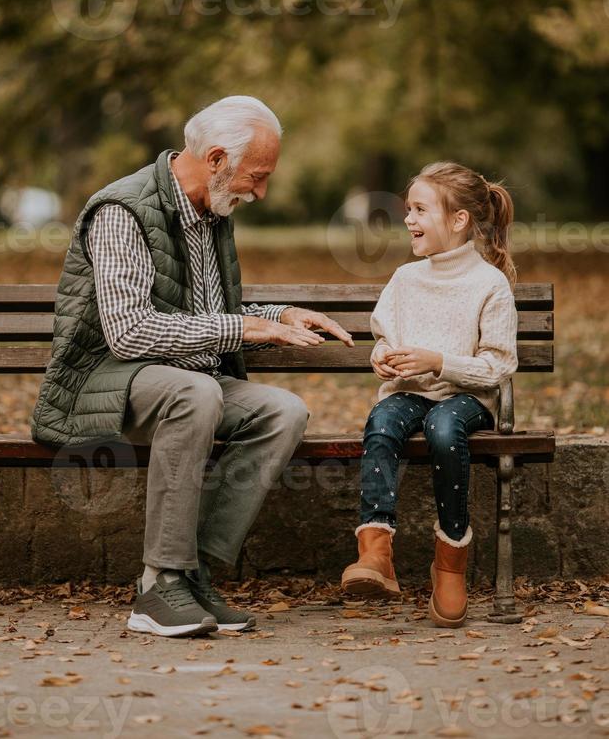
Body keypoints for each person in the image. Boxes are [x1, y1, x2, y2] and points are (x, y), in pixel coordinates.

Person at [30, 96, 354, 638]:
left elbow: (209, 313)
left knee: (283, 412)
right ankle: (159, 584)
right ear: (217, 159)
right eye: (258, 176)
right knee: (195, 393)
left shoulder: (212, 211)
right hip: (106, 380)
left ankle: (192, 575)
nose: (261, 192)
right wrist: (245, 329)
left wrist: (279, 316)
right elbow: (129, 332)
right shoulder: (122, 211)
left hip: (187, 379)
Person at [340, 161, 518, 628]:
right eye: (408, 210)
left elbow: (498, 366)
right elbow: (385, 337)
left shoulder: (489, 284)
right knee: (382, 420)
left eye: (420, 210)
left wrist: (439, 362)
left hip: (467, 398)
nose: (408, 219)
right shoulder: (405, 279)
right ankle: (376, 551)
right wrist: (381, 356)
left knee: (443, 426)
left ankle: (450, 561)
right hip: (412, 392)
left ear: (458, 220)